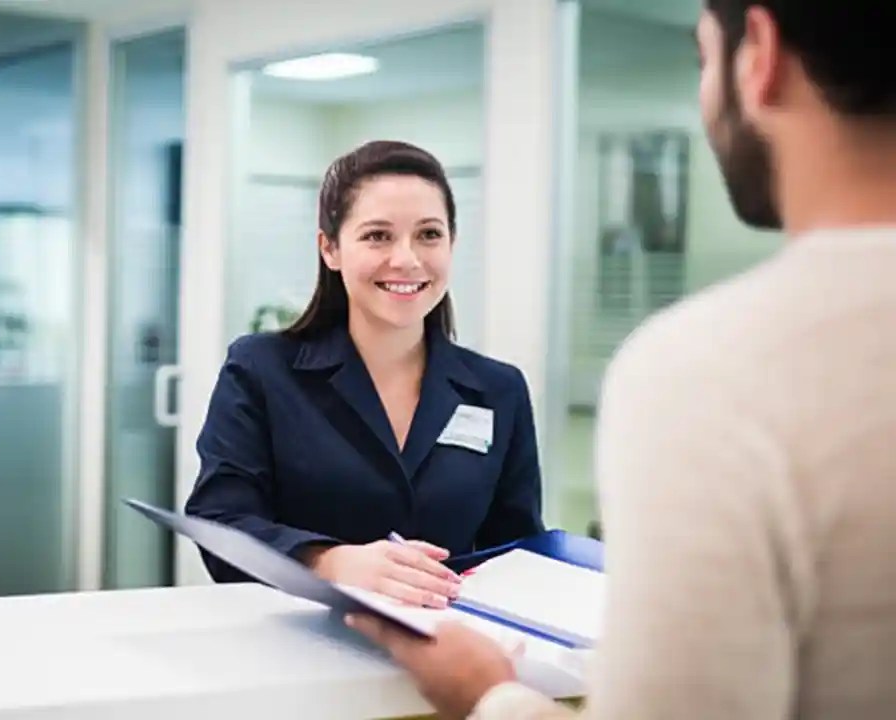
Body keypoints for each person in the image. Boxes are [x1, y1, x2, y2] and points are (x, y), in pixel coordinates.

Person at [347, 1, 896, 718]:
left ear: (757, 53)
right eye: (378, 236)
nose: (407, 258)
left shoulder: (706, 372)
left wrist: (488, 694)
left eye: (704, 61)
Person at [185, 140, 544, 608]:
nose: (407, 259)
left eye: (429, 235)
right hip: (299, 648)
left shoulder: (499, 390)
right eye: (378, 236)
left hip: (444, 657)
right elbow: (220, 523)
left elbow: (517, 550)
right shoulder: (261, 370)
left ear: (452, 244)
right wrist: (329, 562)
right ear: (330, 249)